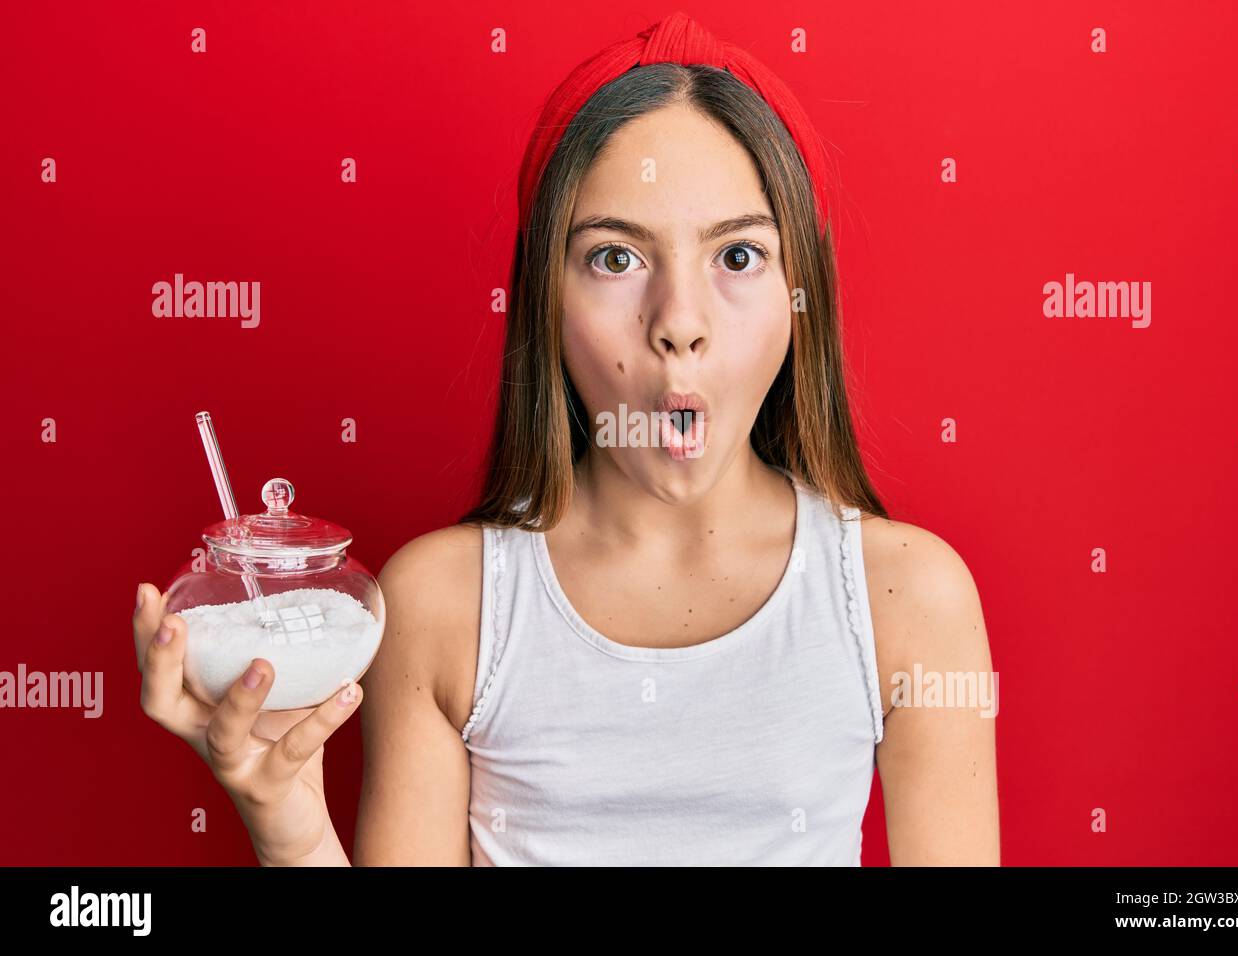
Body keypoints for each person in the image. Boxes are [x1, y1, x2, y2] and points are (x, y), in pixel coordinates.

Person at [132, 11, 999, 866]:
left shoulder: (906, 602)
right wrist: (287, 824)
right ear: (543, 297)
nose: (679, 325)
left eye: (737, 257)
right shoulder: (442, 606)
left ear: (801, 295)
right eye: (616, 258)